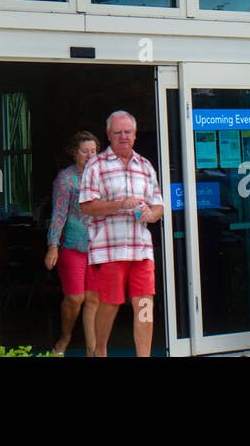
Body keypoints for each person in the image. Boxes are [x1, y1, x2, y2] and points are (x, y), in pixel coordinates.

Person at [78, 110, 163, 357]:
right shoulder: (96, 165)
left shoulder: (145, 166)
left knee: (145, 304)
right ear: (109, 135)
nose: (123, 137)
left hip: (141, 248)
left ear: (135, 135)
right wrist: (119, 204)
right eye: (118, 133)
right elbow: (86, 206)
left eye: (127, 132)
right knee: (110, 304)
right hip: (109, 249)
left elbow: (158, 205)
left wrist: (152, 213)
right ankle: (100, 350)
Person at [44, 131, 100, 356]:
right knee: (75, 298)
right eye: (84, 151)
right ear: (74, 153)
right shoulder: (65, 179)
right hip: (72, 247)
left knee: (94, 299)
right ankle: (65, 338)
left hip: (97, 248)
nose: (89, 155)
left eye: (93, 151)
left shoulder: (102, 177)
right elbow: (58, 214)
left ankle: (92, 350)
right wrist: (52, 246)